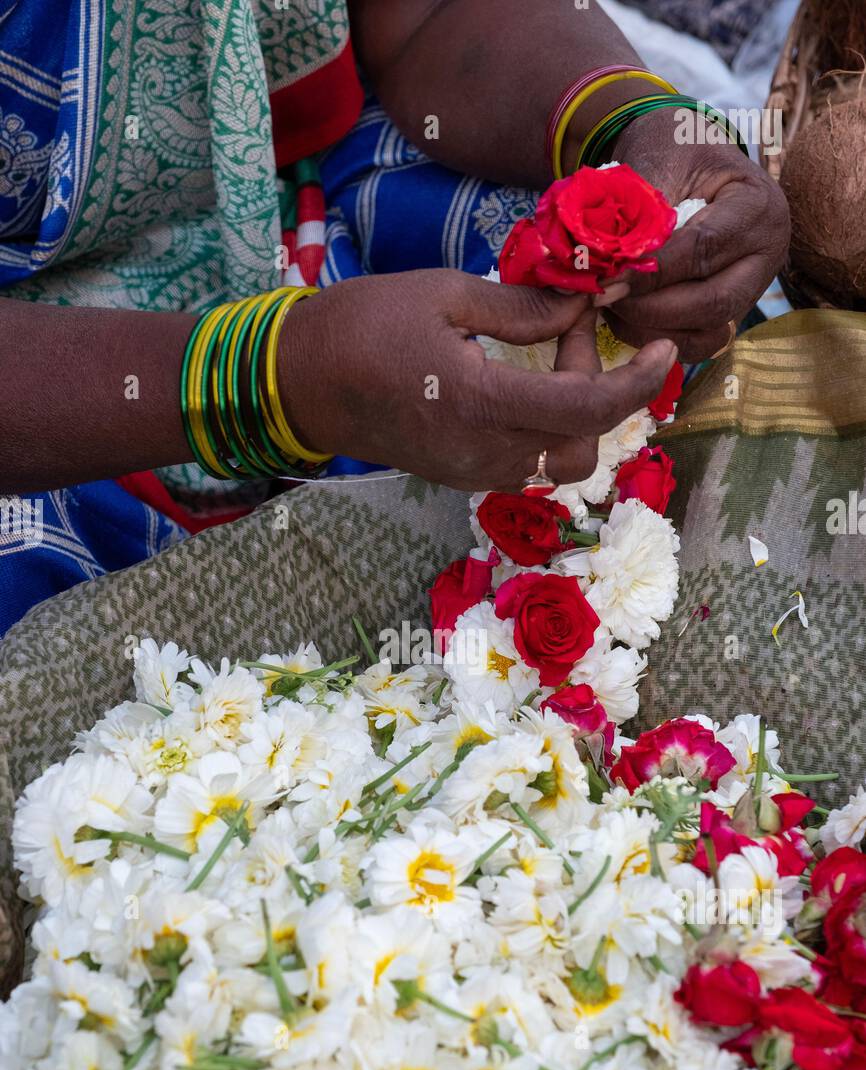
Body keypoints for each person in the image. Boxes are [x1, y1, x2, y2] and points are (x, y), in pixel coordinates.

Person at [0, 0, 789, 632]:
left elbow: (425, 16)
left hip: (281, 196)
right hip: (56, 400)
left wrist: (630, 123)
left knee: (620, 282)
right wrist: (282, 379)